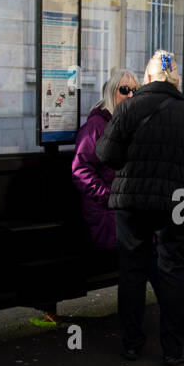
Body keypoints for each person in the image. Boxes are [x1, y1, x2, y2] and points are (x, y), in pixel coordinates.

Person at [96, 50, 184, 365]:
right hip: (175, 205)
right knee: (173, 270)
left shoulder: (128, 109)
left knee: (132, 270)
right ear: (176, 80)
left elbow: (105, 155)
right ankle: (173, 349)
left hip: (131, 202)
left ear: (147, 77)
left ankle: (132, 344)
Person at [73, 68, 140, 250]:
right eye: (125, 90)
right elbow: (81, 170)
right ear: (112, 92)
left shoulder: (131, 123)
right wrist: (108, 197)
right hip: (107, 214)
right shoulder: (97, 125)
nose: (131, 95)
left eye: (136, 90)